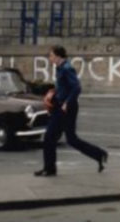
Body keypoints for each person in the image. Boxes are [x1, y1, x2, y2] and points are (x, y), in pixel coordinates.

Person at [34, 45, 108, 177]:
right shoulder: (60, 68)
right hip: (61, 106)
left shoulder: (67, 68)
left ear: (57, 56)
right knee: (71, 139)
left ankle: (49, 169)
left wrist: (67, 102)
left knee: (50, 137)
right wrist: (53, 92)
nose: (49, 58)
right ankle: (99, 154)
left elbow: (76, 88)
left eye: (51, 55)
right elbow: (64, 87)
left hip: (66, 108)